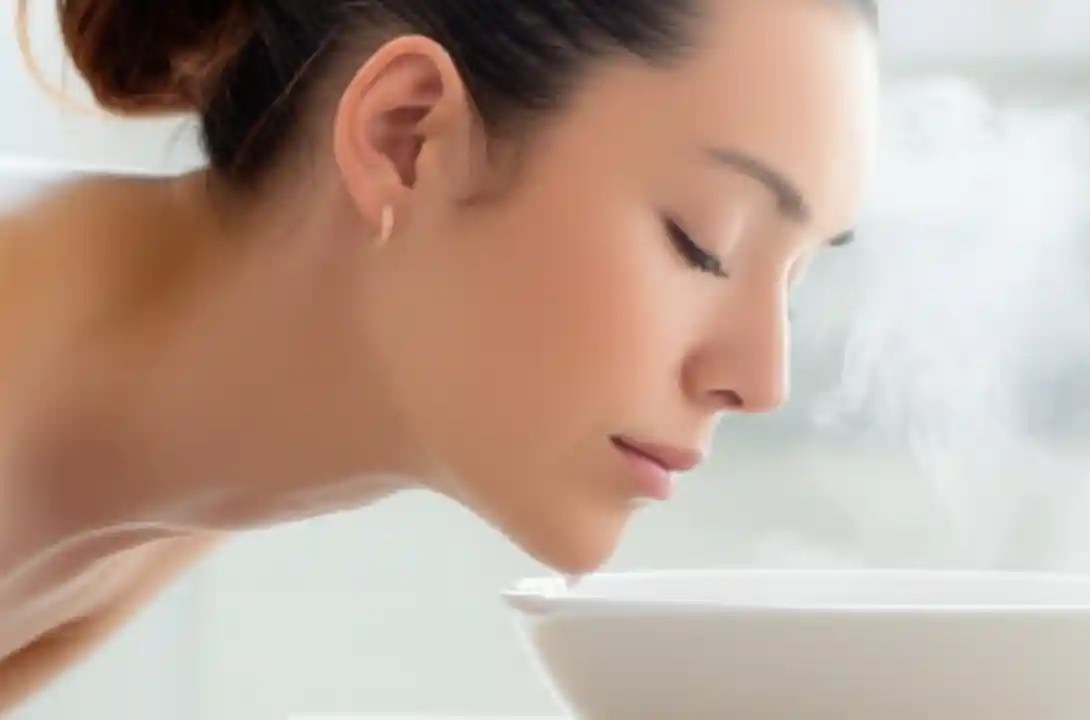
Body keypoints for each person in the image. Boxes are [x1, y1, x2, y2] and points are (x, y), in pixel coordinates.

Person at [0, 0, 879, 708]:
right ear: (405, 134)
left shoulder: (159, 489)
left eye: (793, 283)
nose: (763, 380)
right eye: (704, 241)